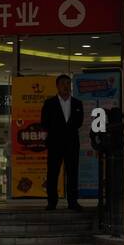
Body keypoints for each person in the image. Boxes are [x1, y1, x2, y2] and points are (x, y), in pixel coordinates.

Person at [40, 74, 83, 210]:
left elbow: (79, 122)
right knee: (53, 173)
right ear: (57, 86)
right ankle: (52, 202)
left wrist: (68, 128)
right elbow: (44, 122)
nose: (66, 86)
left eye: (68, 83)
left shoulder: (77, 103)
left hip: (72, 143)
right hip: (55, 143)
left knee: (72, 173)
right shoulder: (49, 103)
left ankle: (73, 202)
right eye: (63, 83)